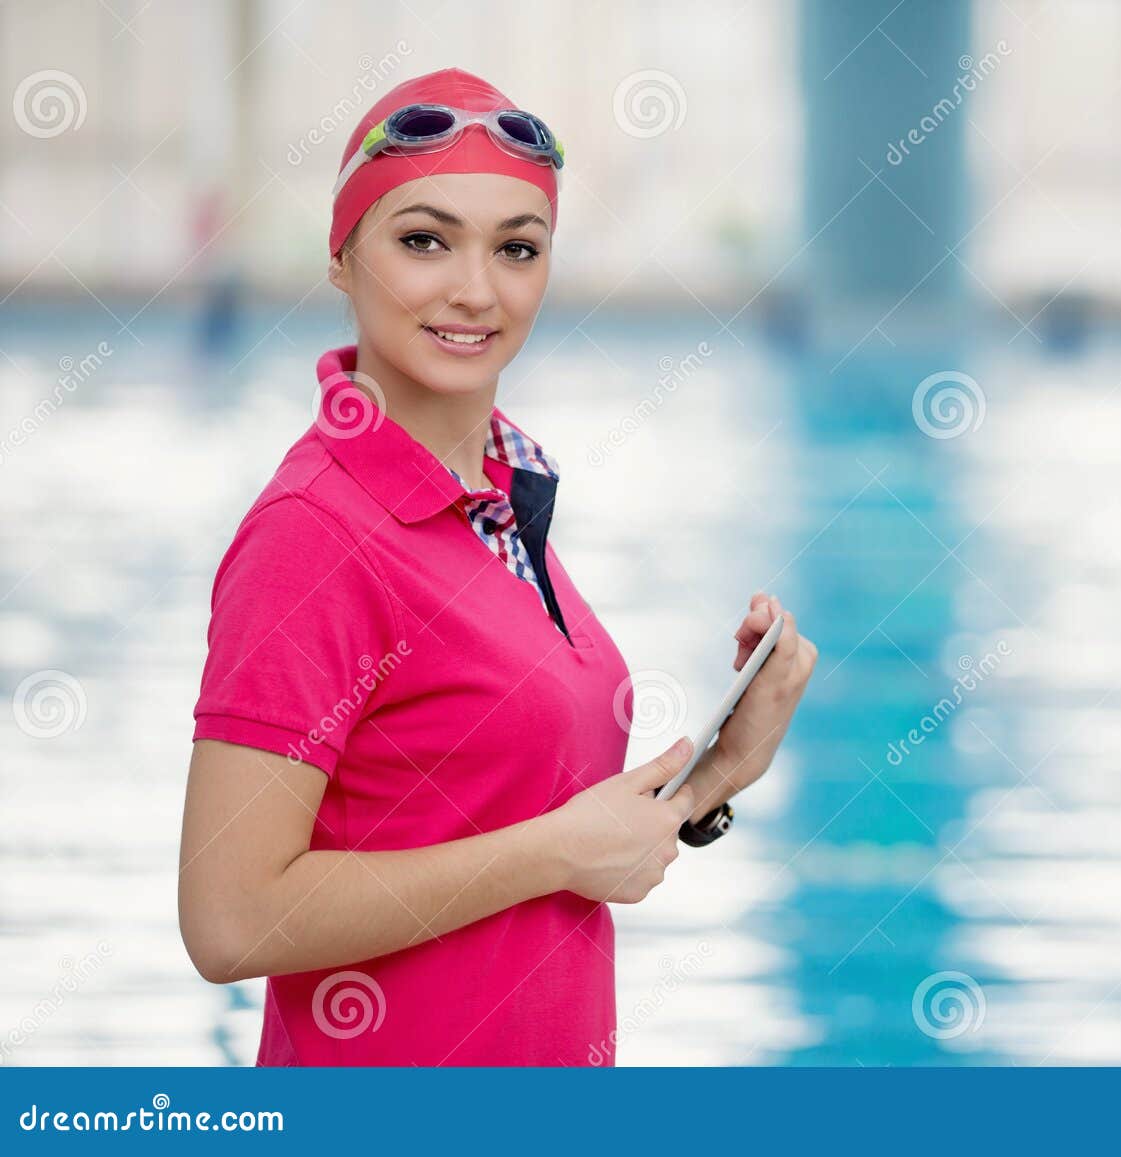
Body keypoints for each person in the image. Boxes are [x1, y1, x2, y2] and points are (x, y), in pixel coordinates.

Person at [178, 67, 815, 1066]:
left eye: (516, 248)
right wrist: (550, 851)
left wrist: (712, 781)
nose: (475, 289)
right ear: (342, 258)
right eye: (423, 240)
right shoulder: (313, 533)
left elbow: (532, 831)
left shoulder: (502, 497)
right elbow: (229, 917)